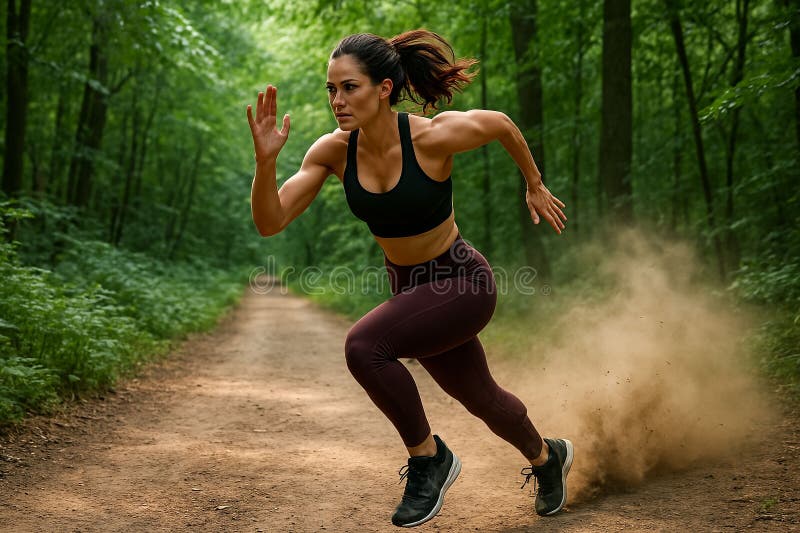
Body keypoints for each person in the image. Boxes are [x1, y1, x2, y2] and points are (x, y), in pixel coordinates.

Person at [247, 29, 572, 528]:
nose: (337, 100)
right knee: (481, 397)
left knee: (364, 346)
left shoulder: (431, 135)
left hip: (461, 280)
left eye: (349, 87)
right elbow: (270, 221)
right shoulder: (333, 151)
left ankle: (429, 459)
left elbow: (501, 124)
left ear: (383, 88)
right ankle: (548, 458)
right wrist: (265, 163)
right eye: (330, 90)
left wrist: (534, 184)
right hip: (411, 288)